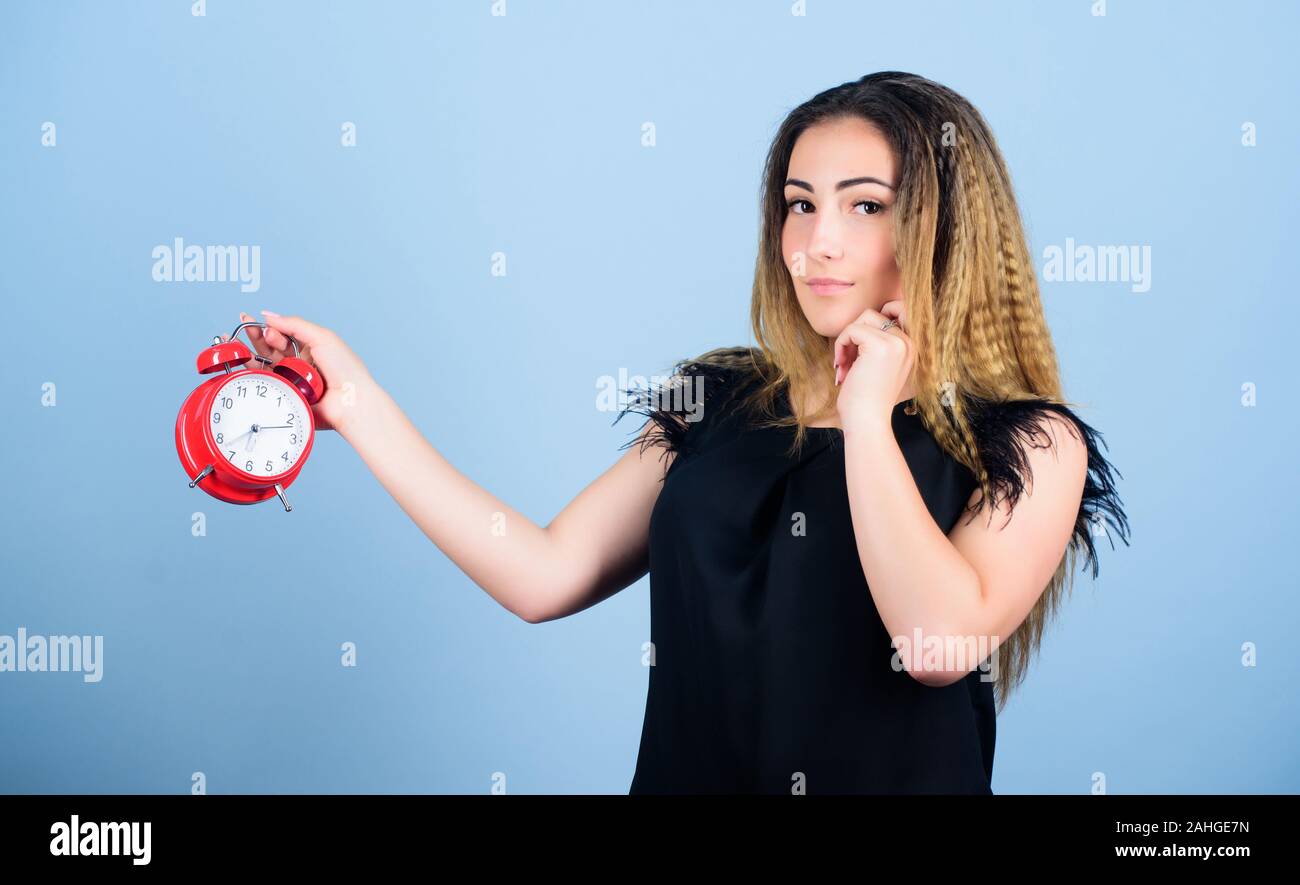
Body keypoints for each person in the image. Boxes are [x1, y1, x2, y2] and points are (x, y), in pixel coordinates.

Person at [228, 71, 1131, 794]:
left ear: (943, 228)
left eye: (864, 205)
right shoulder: (720, 400)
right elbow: (544, 572)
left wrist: (866, 414)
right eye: (798, 202)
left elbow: (937, 645)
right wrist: (356, 403)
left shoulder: (1029, 444)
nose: (814, 241)